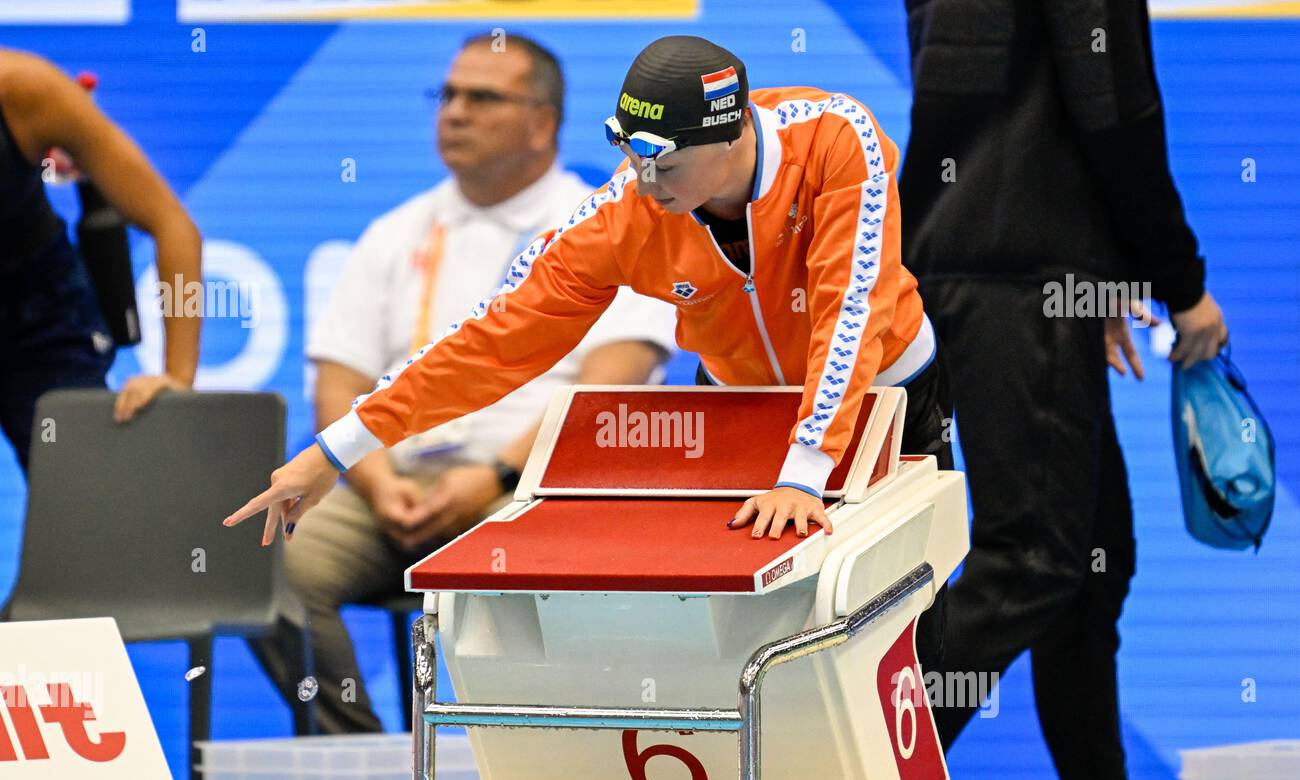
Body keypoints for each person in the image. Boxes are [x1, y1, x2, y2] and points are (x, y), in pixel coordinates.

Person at [226, 35, 954, 662]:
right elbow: (492, 342)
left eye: (664, 165)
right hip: (741, 408)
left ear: (731, 137)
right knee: (746, 632)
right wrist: (333, 452)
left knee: (901, 614)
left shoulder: (835, 138)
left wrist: (803, 473)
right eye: (632, 159)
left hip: (887, 395)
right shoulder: (625, 213)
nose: (644, 183)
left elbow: (846, 309)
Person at [250, 34, 678, 733]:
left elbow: (614, 387)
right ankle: (363, 766)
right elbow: (337, 382)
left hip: (524, 490)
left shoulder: (608, 221)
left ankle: (524, 777)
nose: (453, 113)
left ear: (543, 122)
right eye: (446, 96)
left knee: (535, 567)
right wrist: (378, 481)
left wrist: (498, 475)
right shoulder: (397, 230)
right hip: (393, 487)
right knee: (265, 563)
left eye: (482, 98)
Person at [898, 0, 1229, 780]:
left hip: (989, 261)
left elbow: (995, 99)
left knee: (1090, 562)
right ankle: (847, 769)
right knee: (1038, 557)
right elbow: (1114, 105)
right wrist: (1178, 283)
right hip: (1018, 270)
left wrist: (1087, 267)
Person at [0, 48, 202, 471]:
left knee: (92, 500)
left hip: (37, 312)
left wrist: (179, 376)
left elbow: (172, 225)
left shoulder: (25, 90)